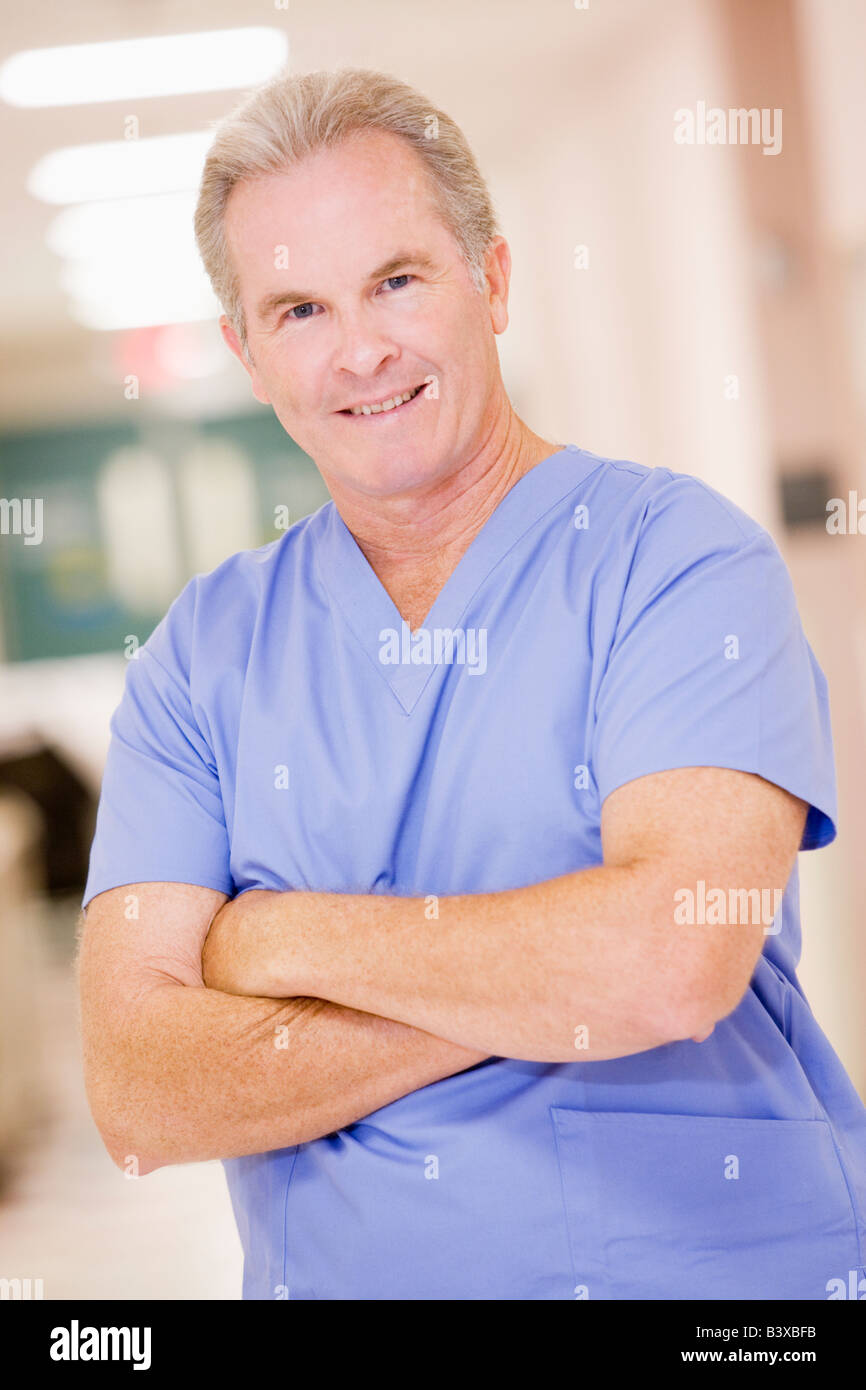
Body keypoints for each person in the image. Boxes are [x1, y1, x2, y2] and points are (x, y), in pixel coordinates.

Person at [78, 67, 866, 1300]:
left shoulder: (676, 564)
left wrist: (277, 940)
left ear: (490, 282)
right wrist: (547, 978)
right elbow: (139, 1090)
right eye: (297, 310)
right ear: (246, 353)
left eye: (397, 279)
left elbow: (668, 959)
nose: (361, 350)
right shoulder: (203, 655)